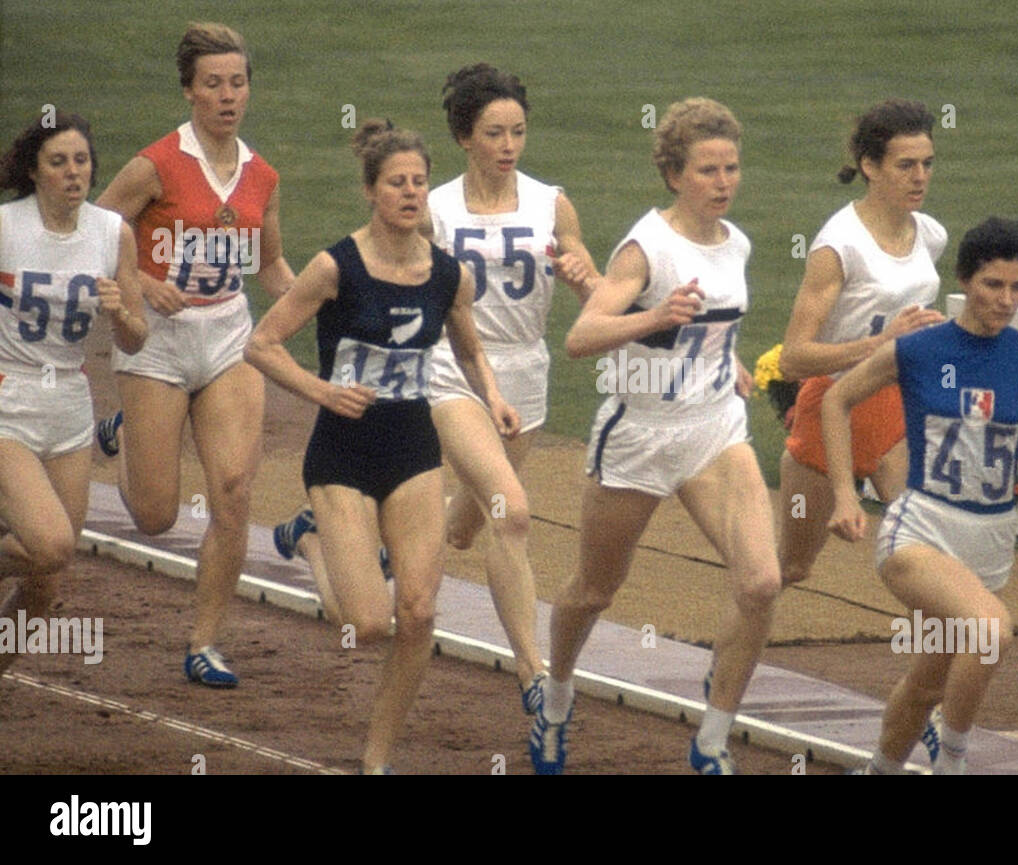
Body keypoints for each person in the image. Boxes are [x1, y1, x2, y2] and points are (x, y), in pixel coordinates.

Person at [245, 119, 517, 774]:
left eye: (419, 181)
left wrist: (494, 394)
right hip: (342, 452)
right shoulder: (335, 267)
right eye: (397, 182)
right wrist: (321, 390)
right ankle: (310, 540)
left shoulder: (447, 275)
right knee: (367, 623)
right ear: (371, 190)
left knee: (419, 611)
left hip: (412, 448)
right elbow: (260, 343)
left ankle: (376, 758)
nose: (410, 191)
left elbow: (470, 345)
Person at [530, 98, 780, 775]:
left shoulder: (739, 244)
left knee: (760, 582)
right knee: (594, 589)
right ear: (675, 175)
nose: (723, 181)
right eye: (707, 170)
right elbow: (584, 337)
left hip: (714, 431)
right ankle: (554, 697)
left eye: (731, 167)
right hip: (637, 434)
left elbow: (714, 323)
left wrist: (724, 359)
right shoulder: (646, 247)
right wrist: (655, 317)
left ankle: (712, 739)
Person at [824, 217, 1018, 774]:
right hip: (919, 531)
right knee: (990, 632)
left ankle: (879, 770)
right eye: (994, 285)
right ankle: (955, 763)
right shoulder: (919, 349)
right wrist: (847, 495)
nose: (1007, 299)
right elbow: (836, 400)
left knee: (927, 683)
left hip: (990, 546)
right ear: (965, 281)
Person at [93, 23, 295, 688]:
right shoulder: (157, 165)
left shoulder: (261, 175)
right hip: (155, 342)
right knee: (155, 515)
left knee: (234, 490)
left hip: (230, 339)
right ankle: (125, 432)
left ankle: (205, 642)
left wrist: (325, 305)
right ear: (189, 91)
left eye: (237, 82)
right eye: (213, 84)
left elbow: (270, 267)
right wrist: (143, 283)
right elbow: (99, 229)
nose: (227, 95)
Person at [426, 63, 599, 712]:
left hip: (526, 378)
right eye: (494, 133)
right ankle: (533, 672)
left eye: (518, 132)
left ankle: (403, 540)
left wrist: (589, 279)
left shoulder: (549, 202)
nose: (508, 145)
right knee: (513, 510)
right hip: (452, 373)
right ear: (465, 137)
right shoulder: (435, 207)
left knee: (470, 526)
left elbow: (590, 283)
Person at [0, 111, 148, 676]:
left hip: (69, 406)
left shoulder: (112, 233)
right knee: (52, 545)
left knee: (44, 586)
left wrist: (120, 312)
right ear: (35, 172)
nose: (73, 172)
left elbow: (135, 338)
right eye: (58, 162)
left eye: (81, 161)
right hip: (9, 398)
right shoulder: (8, 227)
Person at [777, 100, 947, 589]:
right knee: (789, 569)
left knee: (924, 551)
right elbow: (794, 358)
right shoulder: (839, 246)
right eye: (906, 165)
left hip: (898, 409)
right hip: (834, 408)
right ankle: (725, 663)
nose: (920, 176)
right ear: (870, 167)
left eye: (927, 164)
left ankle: (935, 659)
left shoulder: (930, 236)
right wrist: (880, 343)